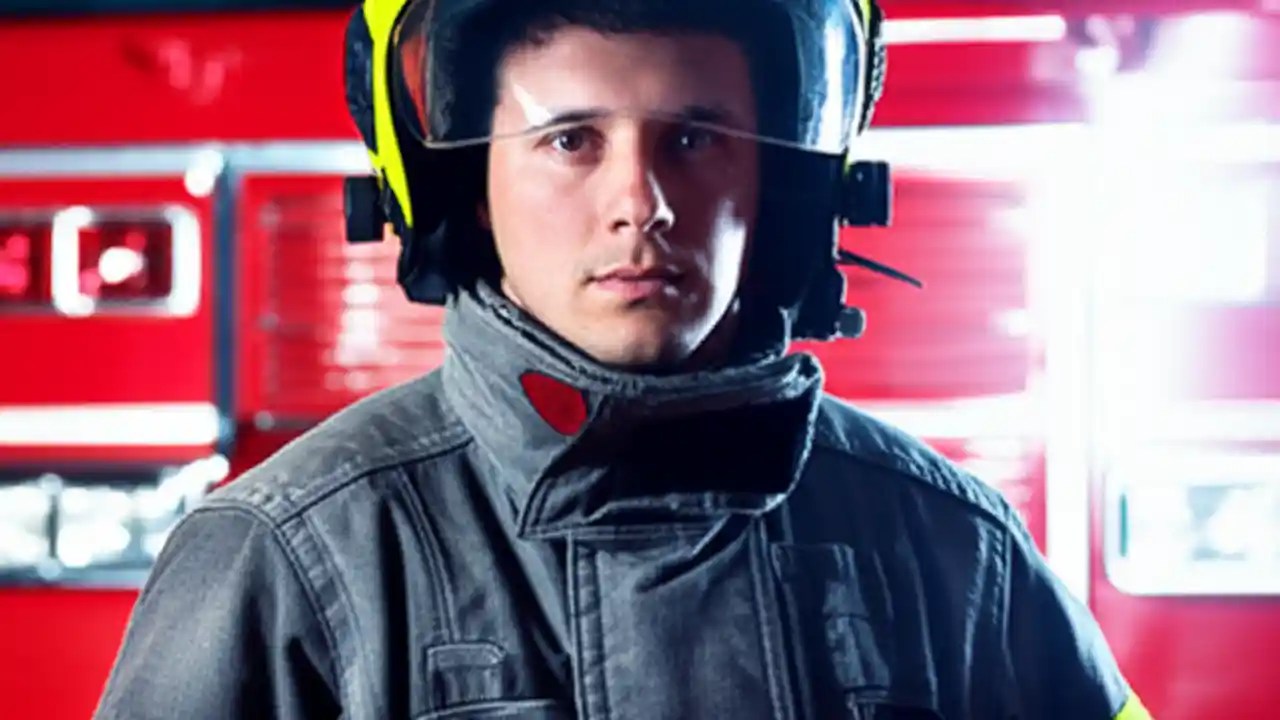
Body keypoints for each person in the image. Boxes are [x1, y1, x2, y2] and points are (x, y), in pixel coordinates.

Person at [95, 0, 1153, 718]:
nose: (639, 205)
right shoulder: (283, 557)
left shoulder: (953, 548)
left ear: (781, 190)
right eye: (570, 140)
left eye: (694, 137)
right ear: (461, 188)